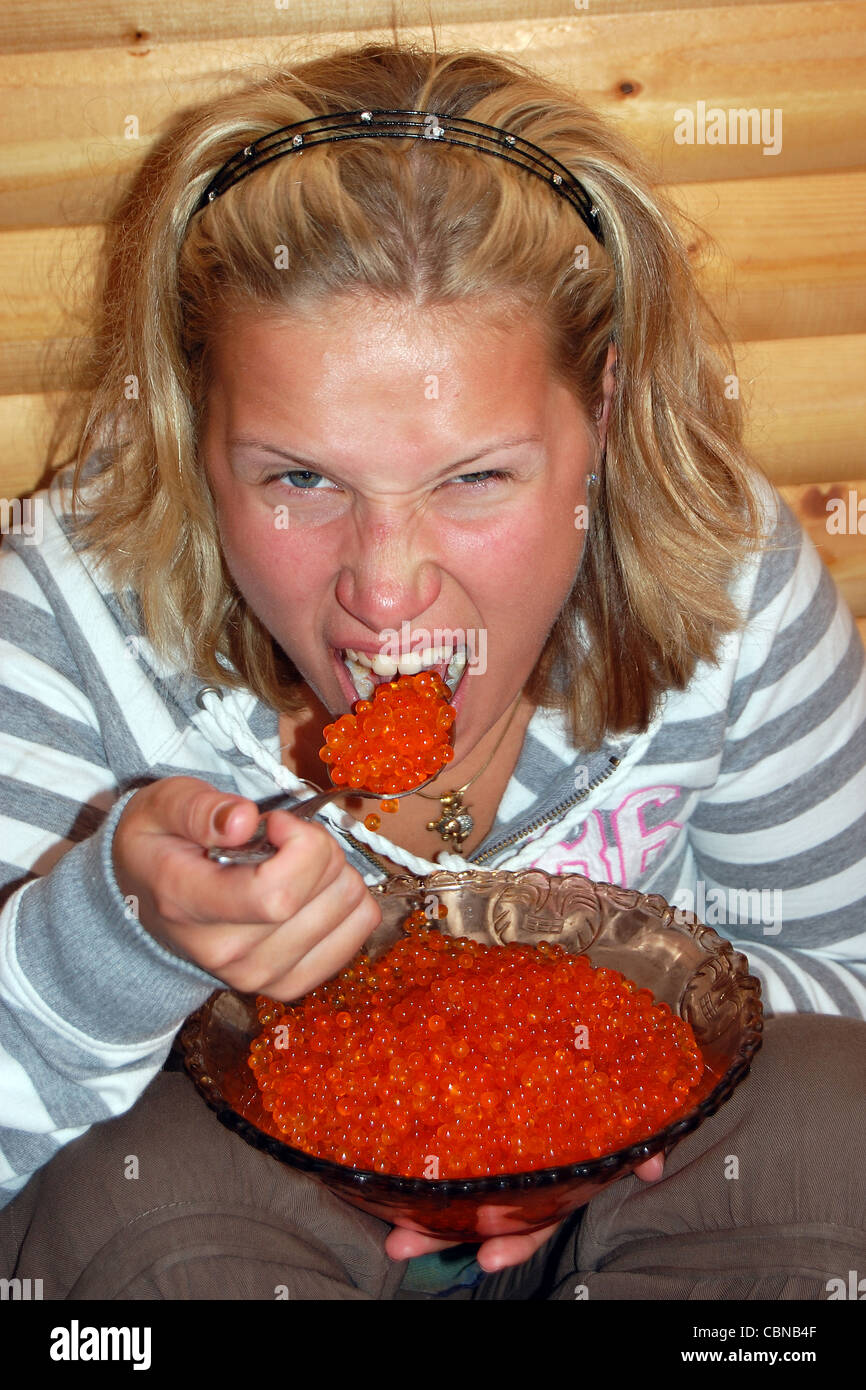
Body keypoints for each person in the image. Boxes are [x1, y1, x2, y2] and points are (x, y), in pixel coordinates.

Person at [0, 36, 863, 1302]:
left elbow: (848, 981)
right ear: (195, 431)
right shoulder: (69, 603)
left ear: (605, 416)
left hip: (649, 1224)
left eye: (473, 478)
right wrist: (121, 933)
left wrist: (589, 1076)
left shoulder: (721, 571)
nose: (384, 586)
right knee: (149, 1186)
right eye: (299, 477)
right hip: (243, 1245)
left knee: (824, 1127)